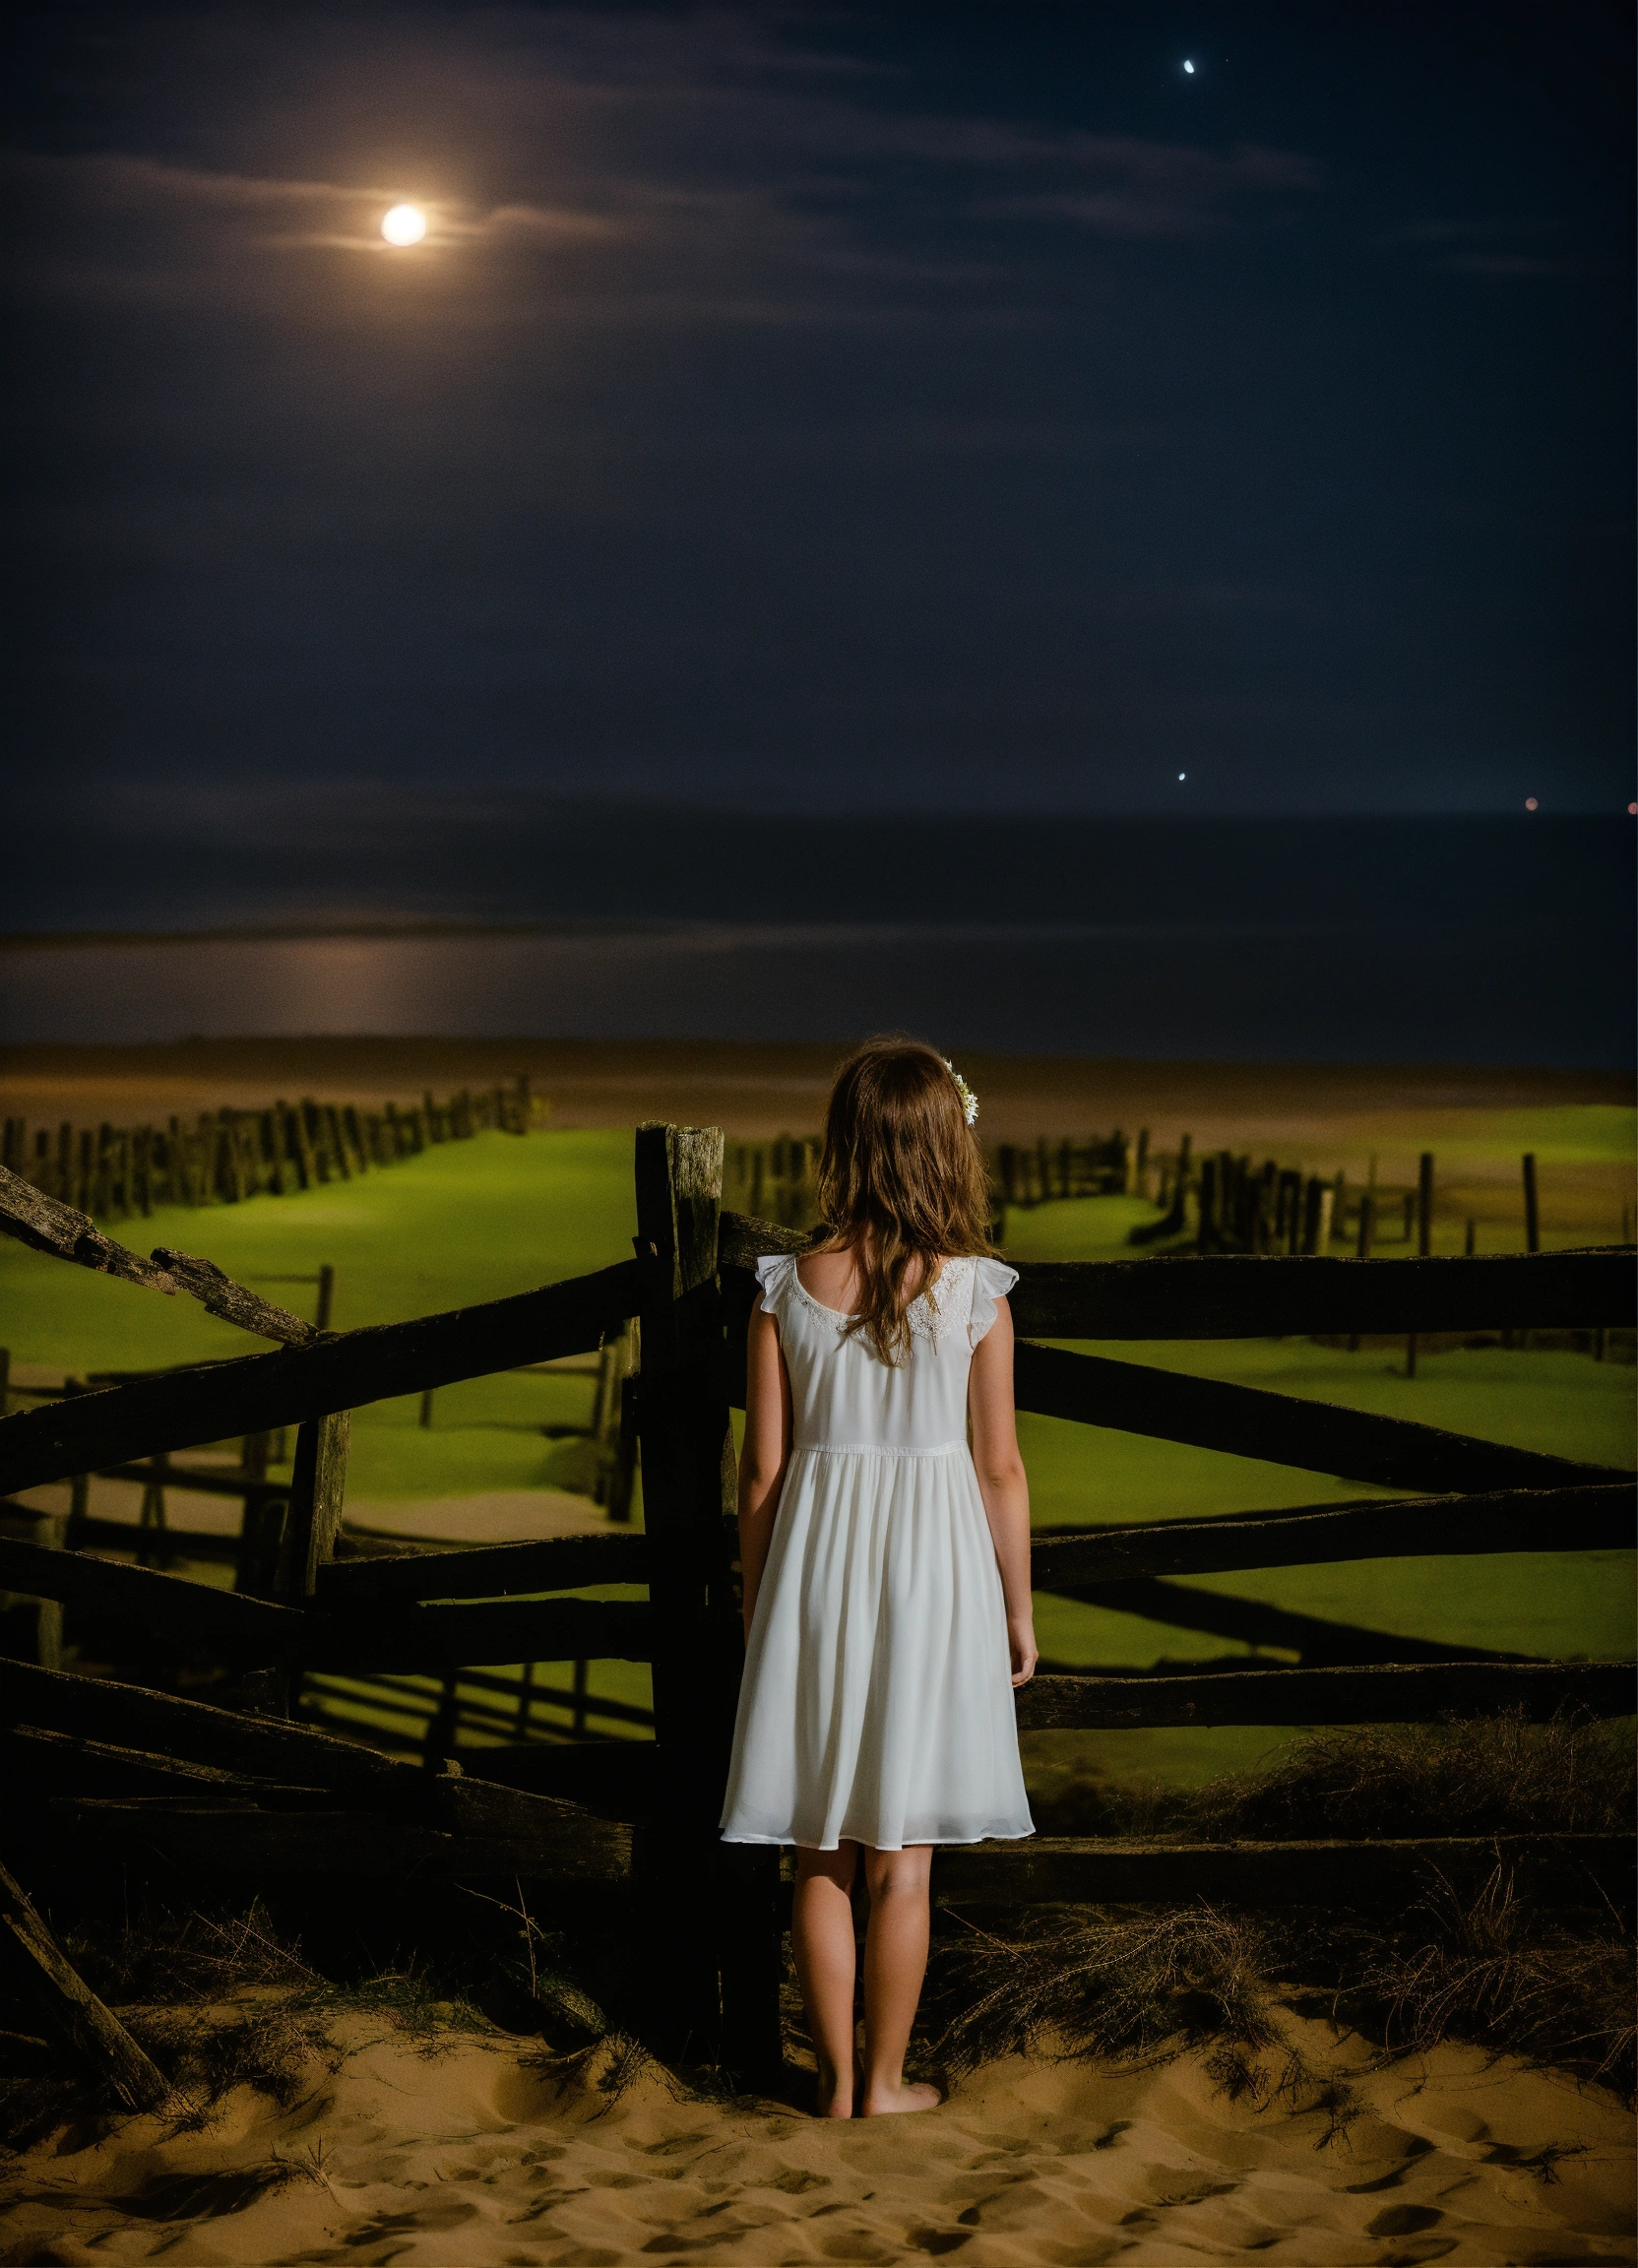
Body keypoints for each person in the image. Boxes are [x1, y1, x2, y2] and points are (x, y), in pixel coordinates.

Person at [720, 1036, 1037, 2117]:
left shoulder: (784, 1289)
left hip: (814, 1575)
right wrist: (1017, 1606)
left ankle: (835, 2082)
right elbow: (998, 1465)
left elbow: (760, 1469)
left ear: (843, 1144)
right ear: (949, 1146)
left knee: (819, 1847)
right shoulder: (974, 1293)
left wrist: (757, 1596)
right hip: (935, 1576)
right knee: (903, 1852)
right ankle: (891, 2082)